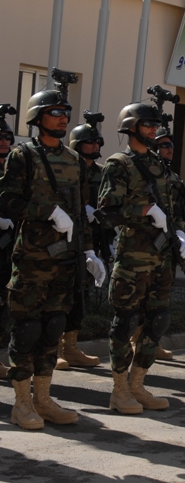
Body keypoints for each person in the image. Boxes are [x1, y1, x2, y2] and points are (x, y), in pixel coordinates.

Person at [0, 89, 105, 429]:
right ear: (37, 117)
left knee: (52, 328)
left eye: (66, 111)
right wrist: (47, 212)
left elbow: (79, 213)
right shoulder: (23, 156)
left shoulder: (74, 161)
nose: (63, 117)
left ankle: (44, 398)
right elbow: (9, 202)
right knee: (27, 329)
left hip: (65, 260)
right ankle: (21, 402)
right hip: (32, 259)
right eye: (56, 111)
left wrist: (89, 251)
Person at [95, 102, 185, 414]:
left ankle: (138, 383)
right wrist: (145, 211)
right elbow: (106, 214)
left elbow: (172, 208)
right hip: (133, 260)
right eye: (148, 124)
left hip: (161, 259)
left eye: (155, 124)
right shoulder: (118, 164)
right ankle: (119, 390)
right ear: (132, 127)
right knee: (125, 323)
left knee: (158, 321)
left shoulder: (159, 165)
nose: (154, 130)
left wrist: (178, 233)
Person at [55, 120, 111, 369]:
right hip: (64, 238)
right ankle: (54, 348)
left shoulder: (103, 172)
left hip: (92, 238)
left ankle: (71, 346)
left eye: (97, 141)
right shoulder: (69, 169)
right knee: (60, 294)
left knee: (82, 292)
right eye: (89, 141)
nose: (94, 145)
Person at [147, 126, 185, 361]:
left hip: (168, 243)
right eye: (164, 145)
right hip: (147, 245)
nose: (169, 149)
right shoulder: (147, 173)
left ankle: (153, 341)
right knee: (142, 297)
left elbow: (182, 207)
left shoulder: (174, 178)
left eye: (171, 145)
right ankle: (137, 342)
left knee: (161, 297)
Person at [0, 105, 17, 380]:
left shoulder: (13, 168)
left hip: (8, 249)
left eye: (7, 137)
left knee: (4, 307)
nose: (4, 142)